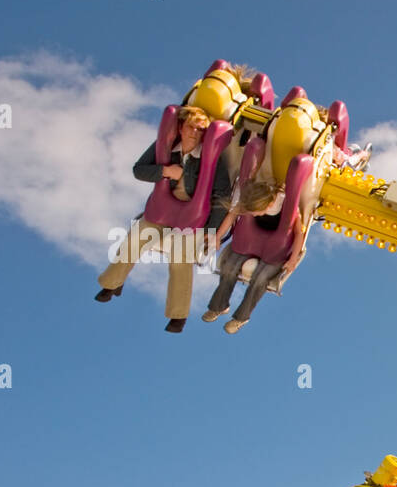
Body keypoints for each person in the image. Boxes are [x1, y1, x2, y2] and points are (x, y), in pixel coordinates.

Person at [96, 105, 233, 333]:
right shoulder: (166, 147)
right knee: (134, 240)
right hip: (163, 209)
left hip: (193, 218)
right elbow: (139, 170)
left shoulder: (212, 157)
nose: (195, 133)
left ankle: (178, 315)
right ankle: (112, 284)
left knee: (180, 260)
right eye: (191, 127)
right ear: (180, 127)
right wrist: (166, 171)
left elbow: (222, 197)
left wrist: (211, 231)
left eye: (201, 130)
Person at [202, 177, 309, 333]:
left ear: (269, 205)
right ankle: (218, 306)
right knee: (229, 268)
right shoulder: (254, 198)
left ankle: (241, 318)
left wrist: (293, 260)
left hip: (275, 248)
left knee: (259, 279)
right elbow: (232, 215)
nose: (255, 215)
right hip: (252, 240)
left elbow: (299, 233)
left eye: (256, 213)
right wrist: (217, 237)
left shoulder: (287, 206)